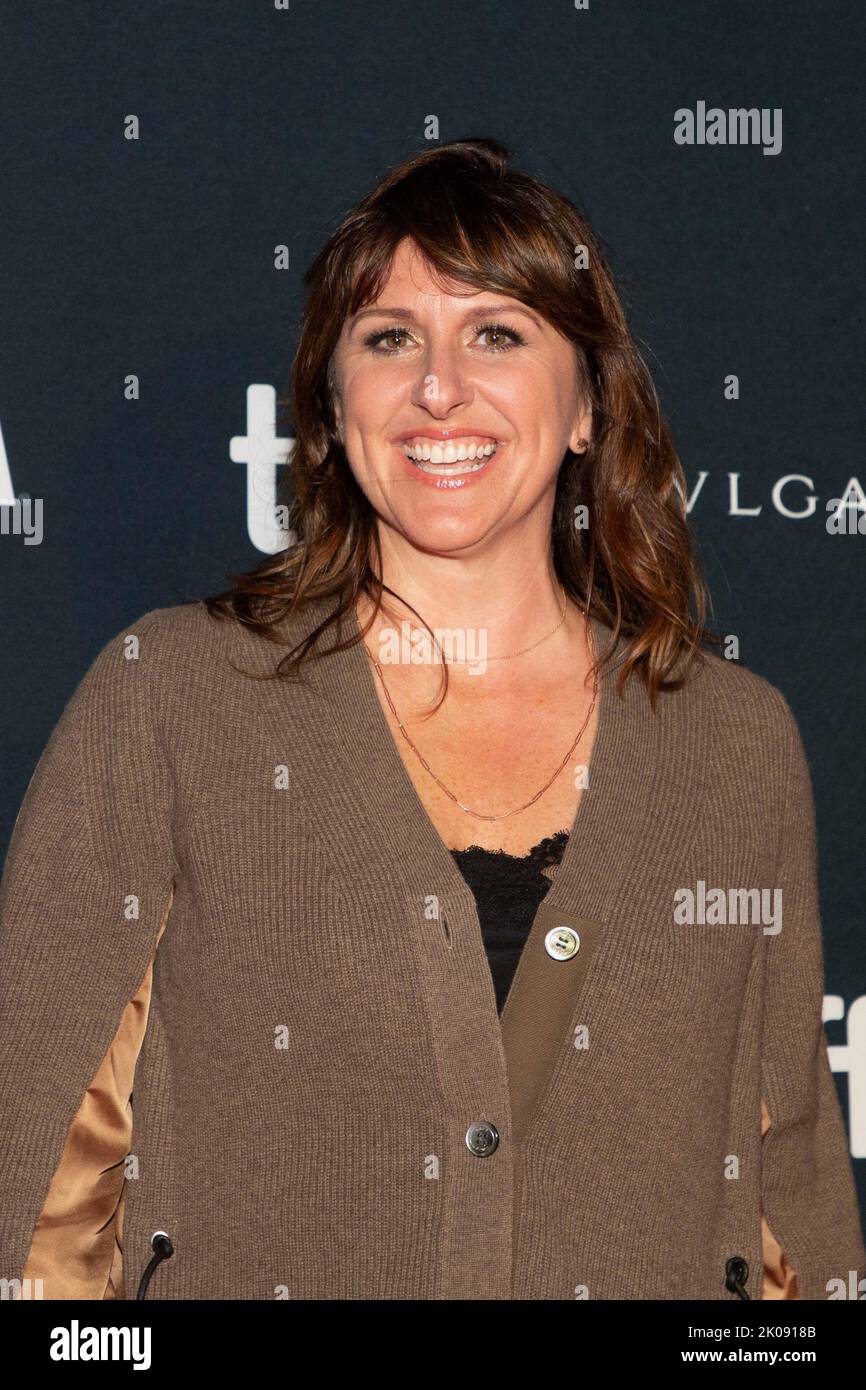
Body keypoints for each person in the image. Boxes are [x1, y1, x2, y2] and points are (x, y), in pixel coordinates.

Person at [1, 138, 862, 1301]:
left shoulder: (732, 741)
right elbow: (37, 1177)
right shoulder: (170, 698)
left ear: (583, 409)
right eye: (388, 338)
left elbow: (787, 1195)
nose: (436, 387)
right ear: (332, 401)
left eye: (496, 334)